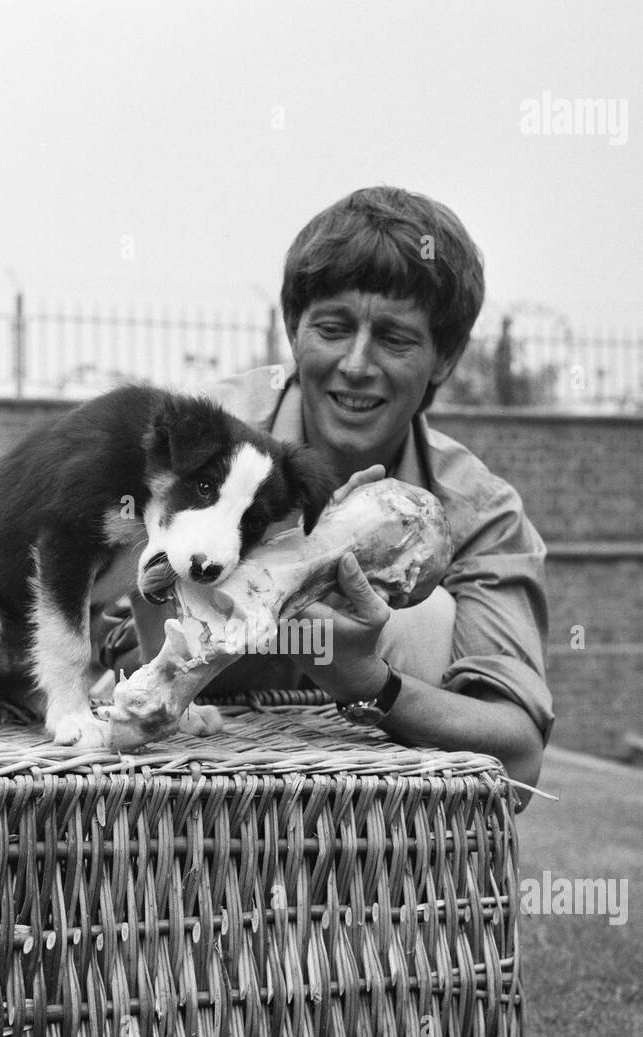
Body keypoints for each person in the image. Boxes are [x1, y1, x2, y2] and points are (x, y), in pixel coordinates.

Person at [103, 187, 553, 792]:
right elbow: (89, 619)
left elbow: (520, 762)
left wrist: (365, 679)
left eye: (395, 338)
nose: (357, 365)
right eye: (333, 328)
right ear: (294, 330)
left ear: (444, 358)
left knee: (426, 619)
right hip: (182, 775)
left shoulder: (480, 509)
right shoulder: (197, 443)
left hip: (382, 809)